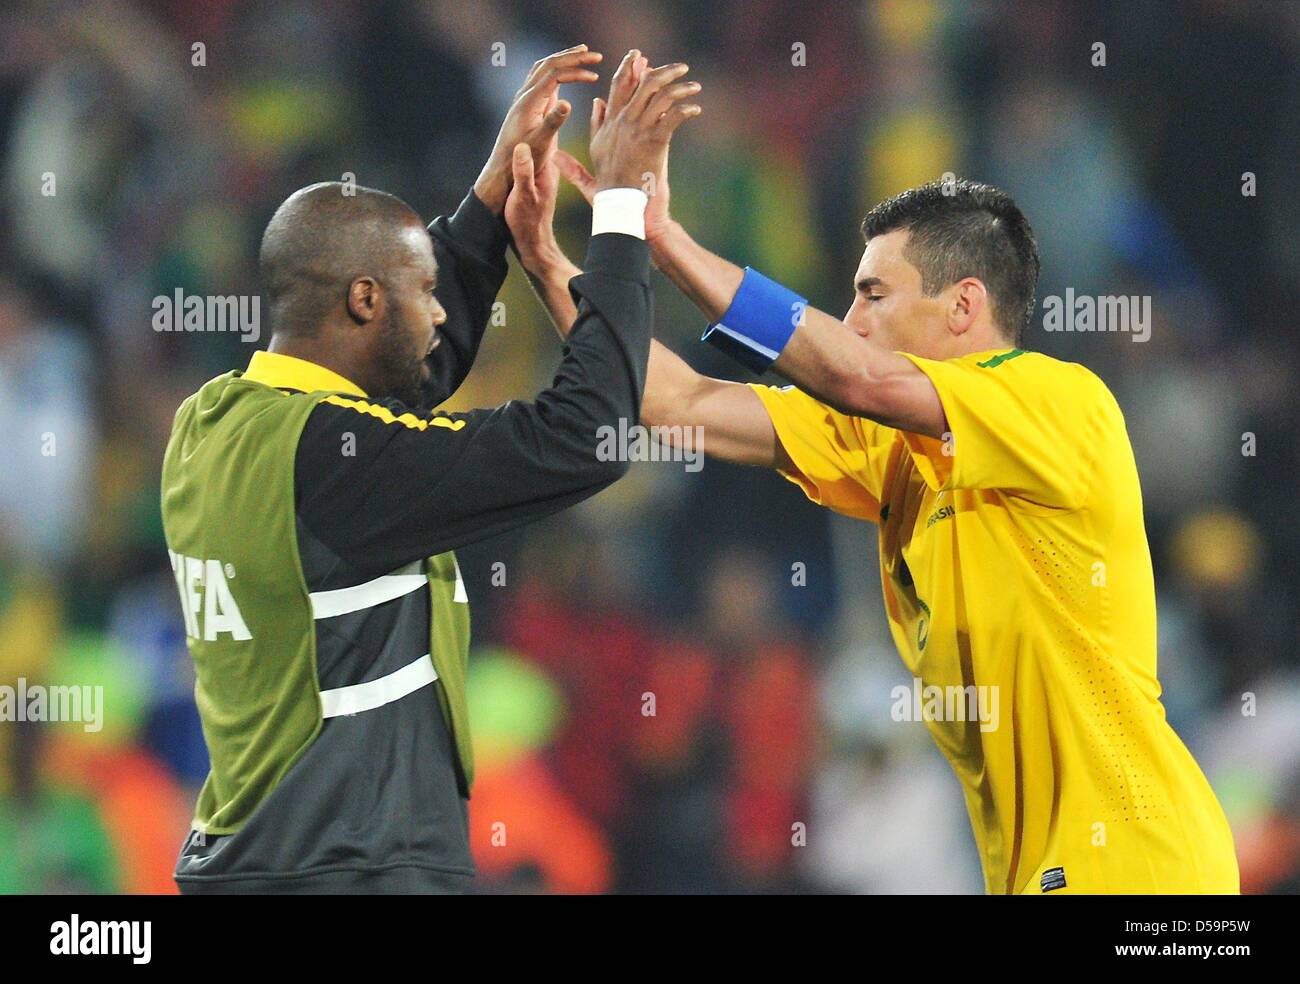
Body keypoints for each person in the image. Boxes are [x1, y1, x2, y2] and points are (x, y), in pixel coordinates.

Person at [505, 54, 1238, 895]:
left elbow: (856, 374)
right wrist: (554, 259)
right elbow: (675, 402)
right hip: (1039, 873)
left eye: (873, 295)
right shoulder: (886, 449)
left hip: (1143, 868)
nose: (851, 319)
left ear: (964, 306)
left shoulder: (1060, 402)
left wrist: (663, 237)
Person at [160, 47, 700, 894]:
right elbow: (584, 433)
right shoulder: (341, 468)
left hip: (255, 863)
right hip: (355, 870)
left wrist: (490, 196)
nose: (447, 309)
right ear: (366, 300)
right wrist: (622, 213)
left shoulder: (211, 426)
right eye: (424, 290)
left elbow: (404, 383)